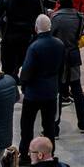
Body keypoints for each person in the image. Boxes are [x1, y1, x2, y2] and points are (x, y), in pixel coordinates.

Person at [19, 14, 66, 159]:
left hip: (33, 92)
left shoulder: (34, 47)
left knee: (27, 125)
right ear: (50, 27)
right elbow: (62, 68)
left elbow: (27, 70)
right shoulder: (59, 44)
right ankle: (49, 154)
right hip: (51, 91)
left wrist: (24, 85)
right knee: (49, 125)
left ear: (35, 28)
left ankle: (26, 155)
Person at [50, 0, 84, 134]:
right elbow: (83, 35)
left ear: (59, 1)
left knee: (58, 92)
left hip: (58, 56)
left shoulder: (55, 17)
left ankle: (55, 128)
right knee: (77, 89)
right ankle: (83, 123)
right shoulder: (79, 17)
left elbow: (50, 34)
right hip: (73, 55)